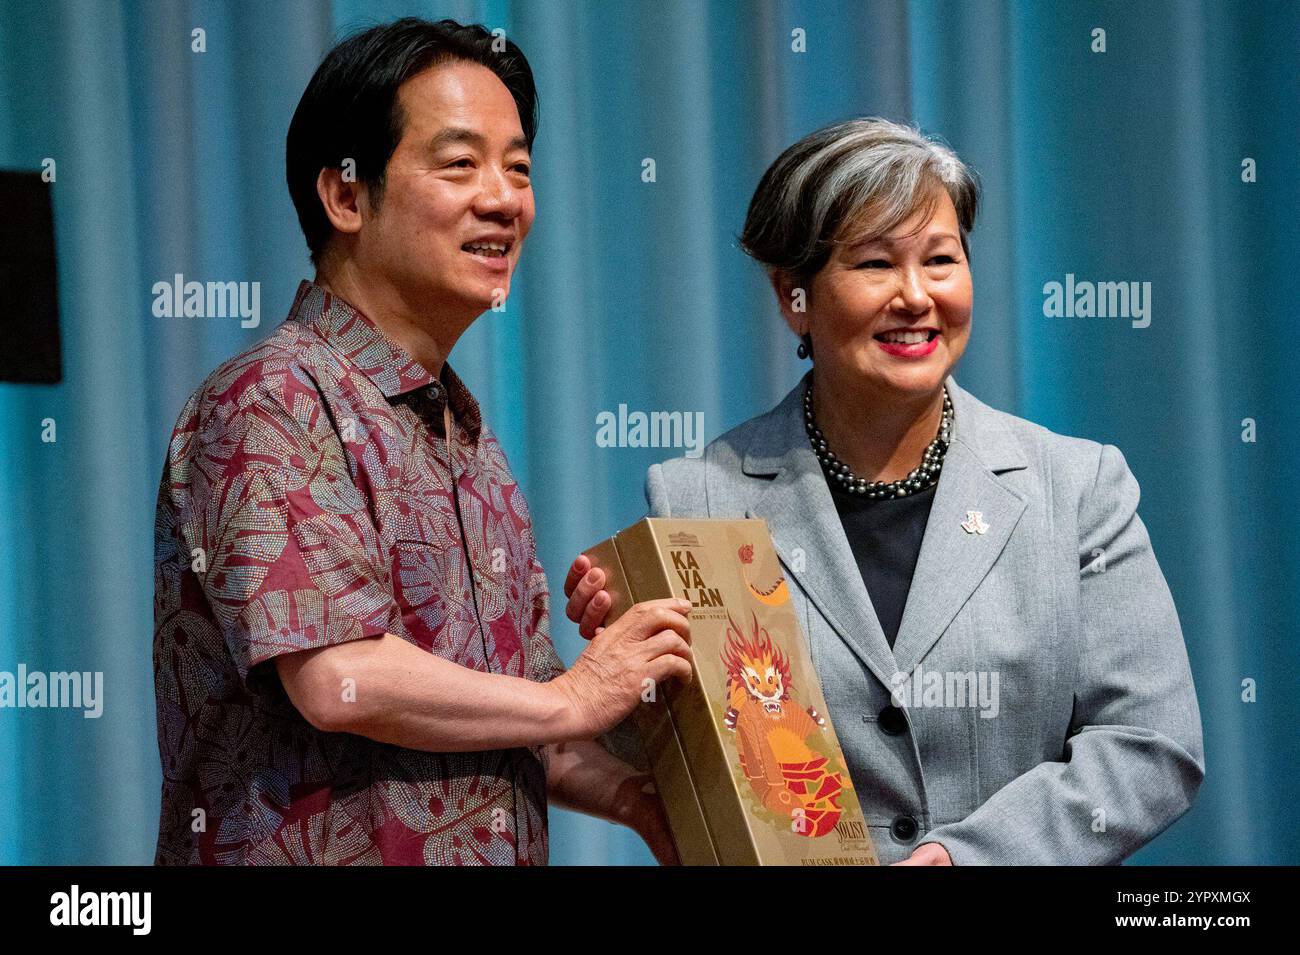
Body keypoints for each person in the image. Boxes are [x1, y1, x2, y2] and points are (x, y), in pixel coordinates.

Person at [566, 118, 1204, 865]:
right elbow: (692, 761)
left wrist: (966, 859)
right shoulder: (698, 498)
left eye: (940, 259)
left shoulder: (1077, 487)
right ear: (793, 296)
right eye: (874, 263)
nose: (915, 296)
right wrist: (627, 667)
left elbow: (1150, 744)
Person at [152, 17, 692, 866]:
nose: (505, 197)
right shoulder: (272, 397)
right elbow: (339, 680)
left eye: (518, 167)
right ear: (346, 195)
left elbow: (518, 722)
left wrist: (634, 776)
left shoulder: (465, 435)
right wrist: (579, 695)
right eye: (461, 162)